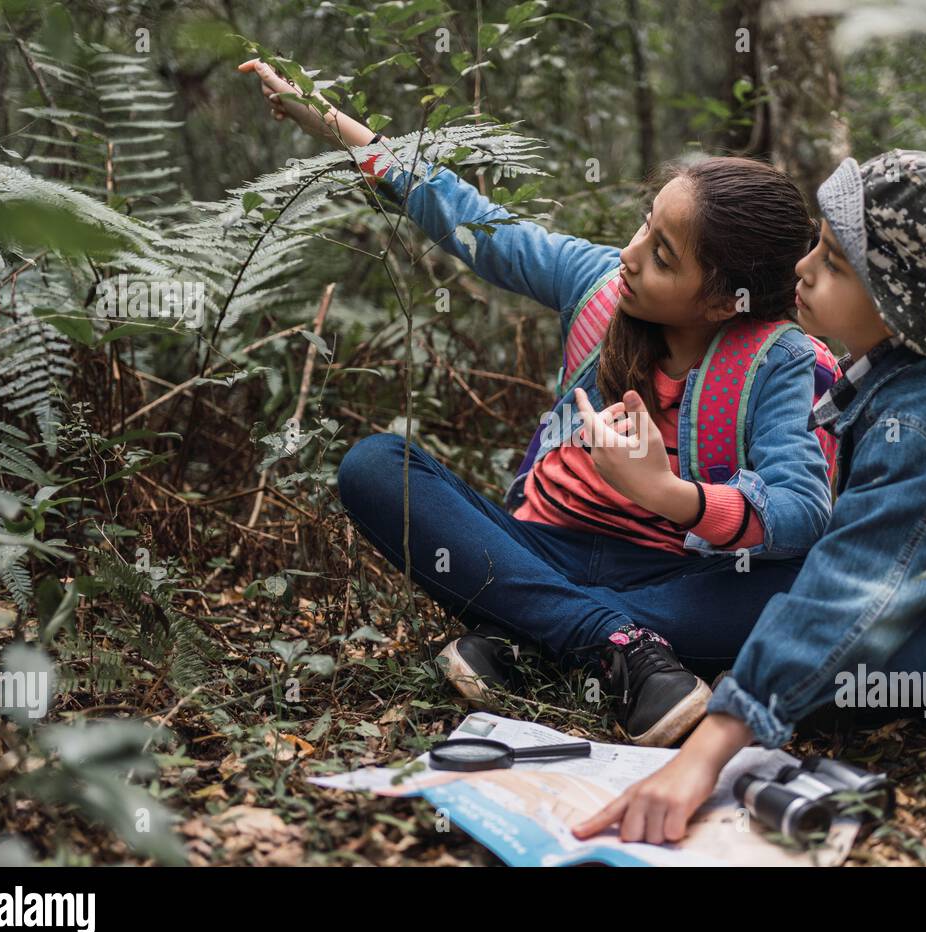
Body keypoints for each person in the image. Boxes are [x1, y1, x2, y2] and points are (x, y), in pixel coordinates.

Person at [239, 59, 840, 748]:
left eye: (664, 256)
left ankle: (529, 630)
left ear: (721, 298)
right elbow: (475, 221)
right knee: (375, 465)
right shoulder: (597, 287)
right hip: (534, 546)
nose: (630, 254)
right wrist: (335, 124)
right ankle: (609, 640)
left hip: (674, 577)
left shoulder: (780, 361)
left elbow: (800, 512)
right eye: (645, 226)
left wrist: (672, 495)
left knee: (796, 592)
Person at [573, 149, 926, 845]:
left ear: (903, 309)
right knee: (768, 641)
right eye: (817, 243)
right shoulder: (913, 375)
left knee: (817, 653)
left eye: (836, 265)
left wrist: (701, 758)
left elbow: (848, 590)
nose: (802, 269)